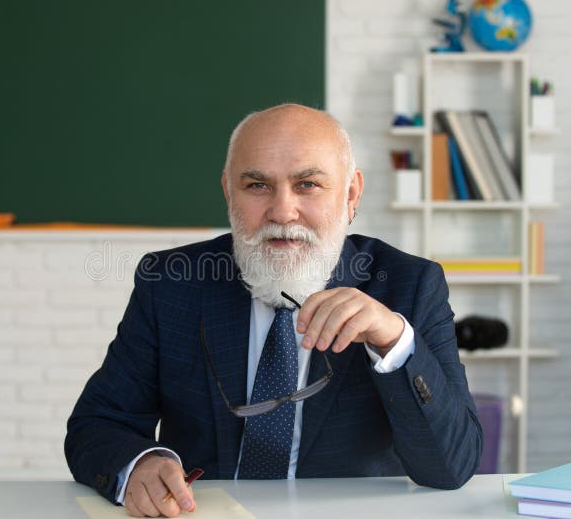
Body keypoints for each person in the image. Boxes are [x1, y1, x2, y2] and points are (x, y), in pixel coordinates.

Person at [65, 104, 482, 517]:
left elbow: (450, 467)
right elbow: (97, 424)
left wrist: (394, 341)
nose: (282, 212)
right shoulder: (171, 282)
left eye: (308, 185)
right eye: (257, 186)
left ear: (351, 193)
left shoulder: (411, 285)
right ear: (229, 192)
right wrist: (140, 464)